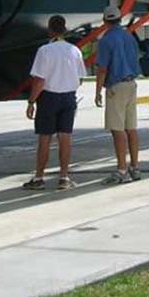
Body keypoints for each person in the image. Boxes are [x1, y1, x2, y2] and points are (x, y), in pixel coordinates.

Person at [22, 14, 86, 191]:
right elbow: (80, 78)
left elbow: (39, 80)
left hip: (49, 98)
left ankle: (39, 177)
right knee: (65, 137)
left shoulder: (44, 50)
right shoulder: (75, 50)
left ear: (50, 30)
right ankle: (64, 177)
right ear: (64, 30)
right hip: (68, 97)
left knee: (45, 138)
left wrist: (31, 101)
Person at [94, 4, 142, 184]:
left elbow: (102, 68)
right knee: (131, 128)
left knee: (117, 129)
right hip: (131, 84)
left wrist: (98, 91)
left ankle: (121, 169)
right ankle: (135, 167)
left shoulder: (106, 40)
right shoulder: (129, 37)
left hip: (116, 85)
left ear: (105, 21)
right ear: (120, 19)